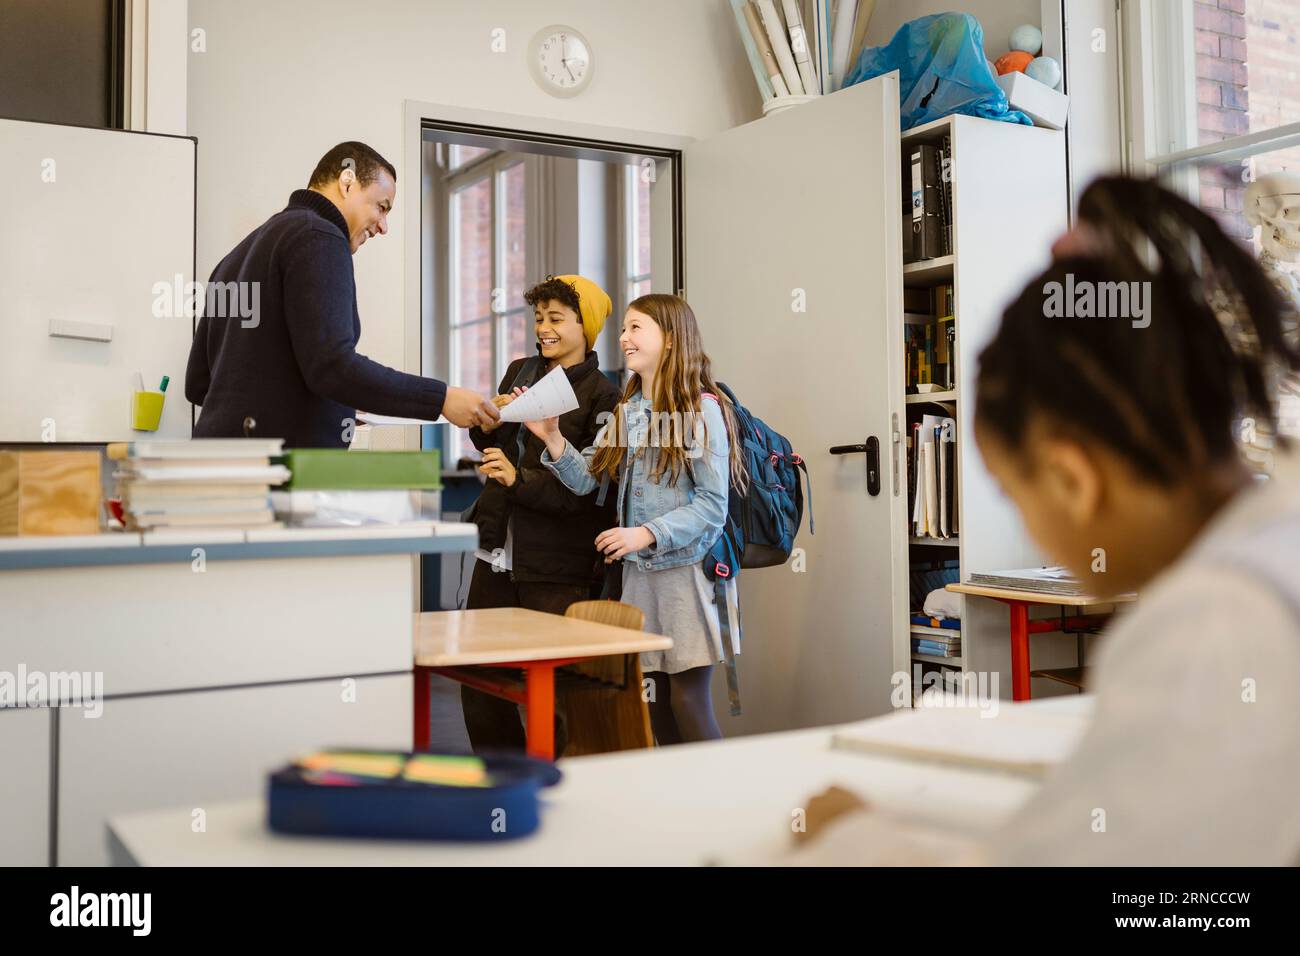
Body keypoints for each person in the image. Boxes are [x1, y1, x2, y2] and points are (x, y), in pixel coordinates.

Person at [795, 175, 1300, 865]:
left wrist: (849, 839)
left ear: (1072, 477)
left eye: (1012, 492)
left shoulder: (1209, 625)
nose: (1033, 532)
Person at [529, 294, 747, 744]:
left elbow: (711, 506)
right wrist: (552, 438)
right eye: (624, 329)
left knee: (688, 703)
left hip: (687, 578)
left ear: (670, 340)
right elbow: (589, 480)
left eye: (635, 328)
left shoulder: (700, 409)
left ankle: (724, 803)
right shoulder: (628, 411)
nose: (624, 339)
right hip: (640, 581)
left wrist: (645, 533)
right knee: (653, 706)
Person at [186, 141, 497, 447]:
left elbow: (199, 384)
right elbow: (331, 367)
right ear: (346, 183)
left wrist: (331, 407)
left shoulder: (234, 258)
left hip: (217, 462)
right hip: (273, 473)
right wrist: (442, 398)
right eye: (381, 206)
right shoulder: (319, 236)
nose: (383, 226)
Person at [459, 275, 621, 754]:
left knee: (552, 691)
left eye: (556, 319)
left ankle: (554, 787)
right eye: (538, 318)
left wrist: (518, 480)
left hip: (557, 566)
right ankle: (501, 781)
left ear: (585, 326)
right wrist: (488, 419)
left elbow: (590, 494)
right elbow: (491, 443)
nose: (543, 328)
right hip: (496, 554)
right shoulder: (520, 369)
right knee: (479, 678)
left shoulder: (604, 398)